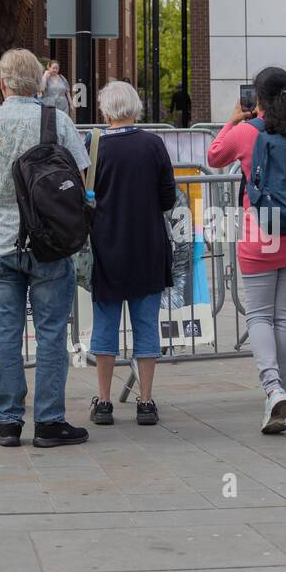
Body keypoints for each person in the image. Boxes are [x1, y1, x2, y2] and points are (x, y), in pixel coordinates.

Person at [0, 48, 90, 448]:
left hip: (0, 244)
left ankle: (9, 421)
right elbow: (78, 183)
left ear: (1, 84)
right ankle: (49, 422)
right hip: (49, 245)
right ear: (39, 84)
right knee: (51, 333)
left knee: (7, 333)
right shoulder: (59, 122)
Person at [208, 67, 286, 435]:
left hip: (263, 232)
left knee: (258, 316)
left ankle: (273, 389)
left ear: (256, 97)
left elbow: (214, 156)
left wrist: (231, 120)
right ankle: (280, 396)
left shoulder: (245, 133)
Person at [87, 81, 177, 428]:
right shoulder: (153, 144)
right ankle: (146, 400)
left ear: (105, 111)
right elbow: (168, 198)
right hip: (148, 246)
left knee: (105, 324)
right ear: (136, 108)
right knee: (146, 325)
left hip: (106, 247)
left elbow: (85, 197)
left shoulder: (94, 146)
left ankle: (104, 400)